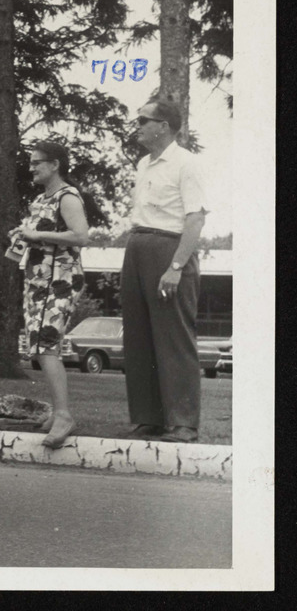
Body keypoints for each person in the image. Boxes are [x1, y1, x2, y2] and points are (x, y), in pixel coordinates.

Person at [121, 99, 208, 443]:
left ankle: (183, 422)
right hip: (138, 245)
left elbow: (195, 218)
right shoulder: (144, 164)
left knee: (173, 336)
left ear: (165, 126)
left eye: (144, 120)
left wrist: (176, 266)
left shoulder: (187, 164)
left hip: (169, 248)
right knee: (138, 337)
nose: (138, 125)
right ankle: (148, 418)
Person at [8, 141, 93, 449]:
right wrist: (22, 235)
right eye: (30, 163)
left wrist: (37, 235)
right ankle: (58, 412)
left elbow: (81, 236)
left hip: (59, 279)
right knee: (43, 346)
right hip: (39, 281)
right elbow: (39, 235)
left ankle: (63, 415)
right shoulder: (41, 199)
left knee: (46, 344)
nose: (31, 168)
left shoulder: (67, 196)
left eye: (37, 163)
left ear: (55, 164)